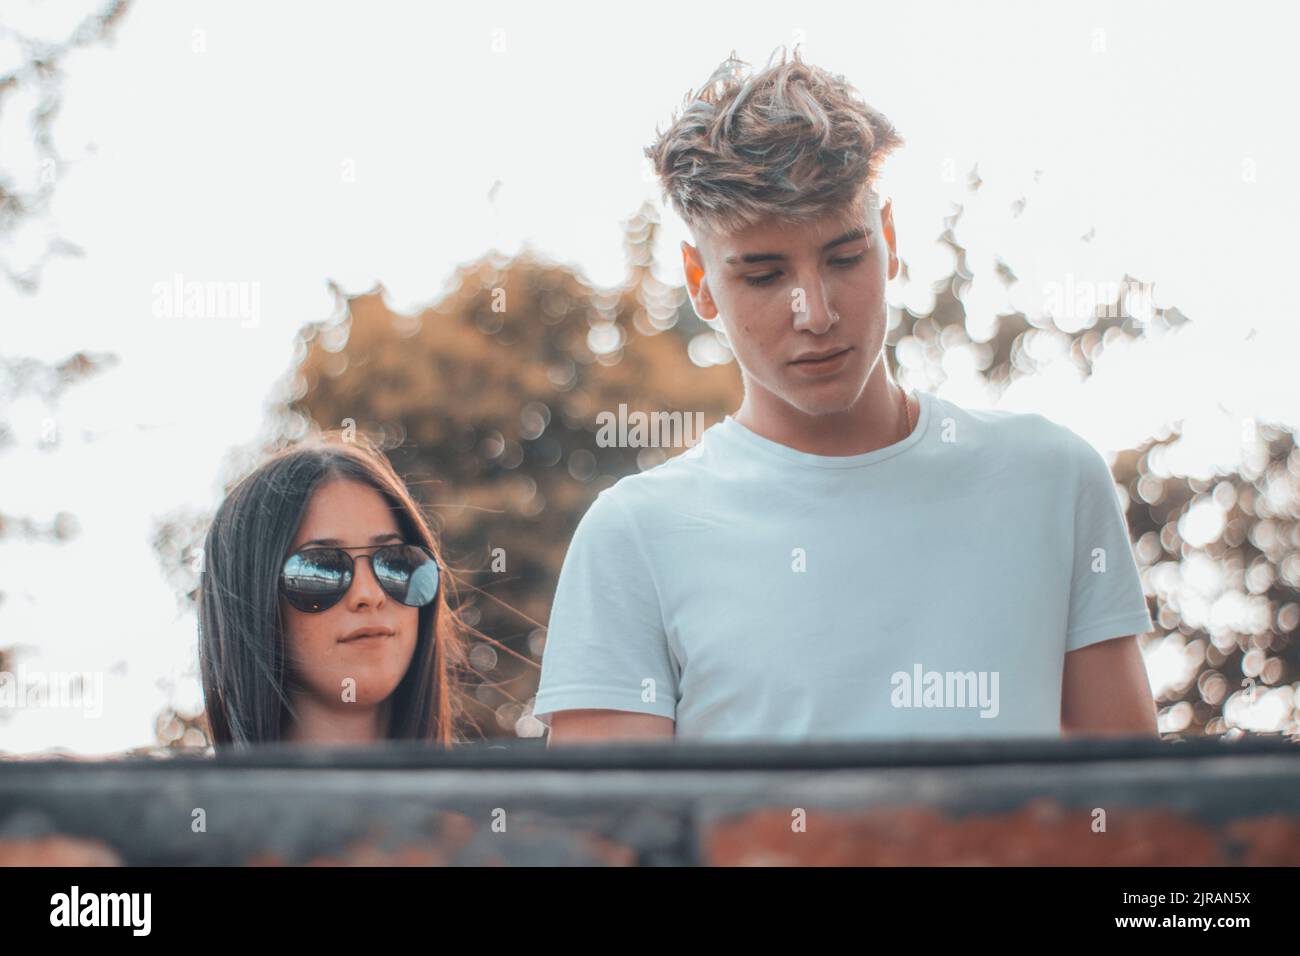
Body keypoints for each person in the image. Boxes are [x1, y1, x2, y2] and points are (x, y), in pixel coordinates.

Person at [533, 48, 1158, 744]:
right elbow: (614, 844)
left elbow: (1137, 821)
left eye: (844, 257)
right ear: (700, 281)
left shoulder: (1053, 477)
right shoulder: (633, 537)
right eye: (765, 276)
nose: (817, 313)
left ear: (887, 238)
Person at [198, 431, 468, 748]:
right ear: (253, 600)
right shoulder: (173, 797)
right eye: (321, 568)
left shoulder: (496, 796)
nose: (369, 594)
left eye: (396, 562)